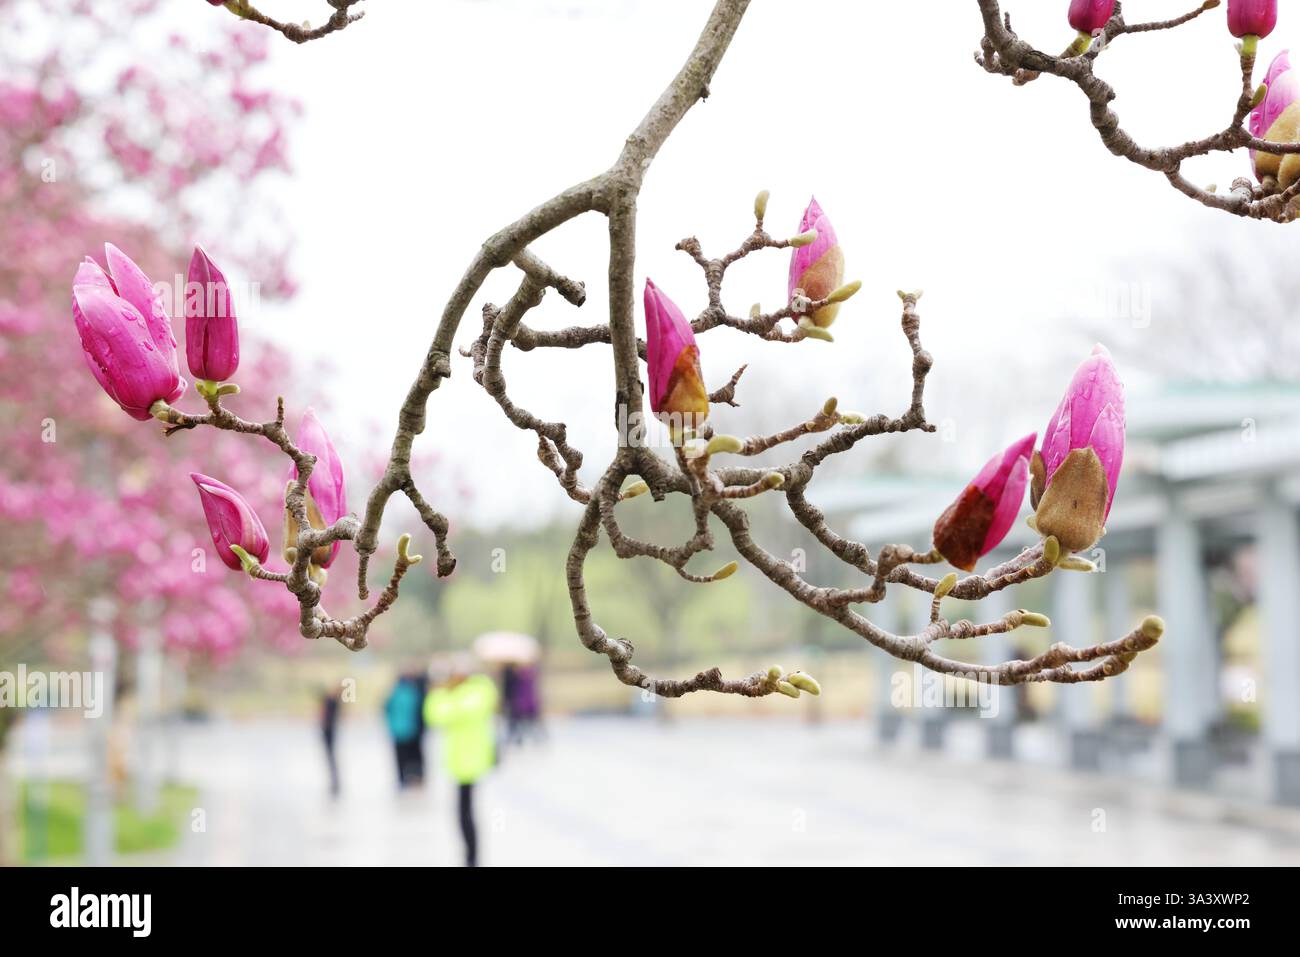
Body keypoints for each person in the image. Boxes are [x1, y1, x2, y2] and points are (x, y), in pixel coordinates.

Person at [424, 658, 498, 867]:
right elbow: (434, 716)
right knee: (462, 812)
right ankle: (469, 854)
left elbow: (450, 713)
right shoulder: (455, 693)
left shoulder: (479, 691)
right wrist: (441, 691)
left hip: (471, 762)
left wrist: (442, 692)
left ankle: (472, 856)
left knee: (466, 813)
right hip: (459, 763)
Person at [384, 673, 425, 788]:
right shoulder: (413, 693)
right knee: (413, 756)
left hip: (398, 731)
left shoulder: (393, 694)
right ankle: (415, 777)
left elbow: (387, 710)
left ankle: (402, 779)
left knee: (400, 757)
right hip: (411, 729)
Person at [319, 685, 341, 797]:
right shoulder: (333, 702)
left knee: (331, 757)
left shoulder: (333, 702)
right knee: (331, 757)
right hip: (328, 731)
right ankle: (334, 780)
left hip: (329, 732)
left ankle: (335, 780)